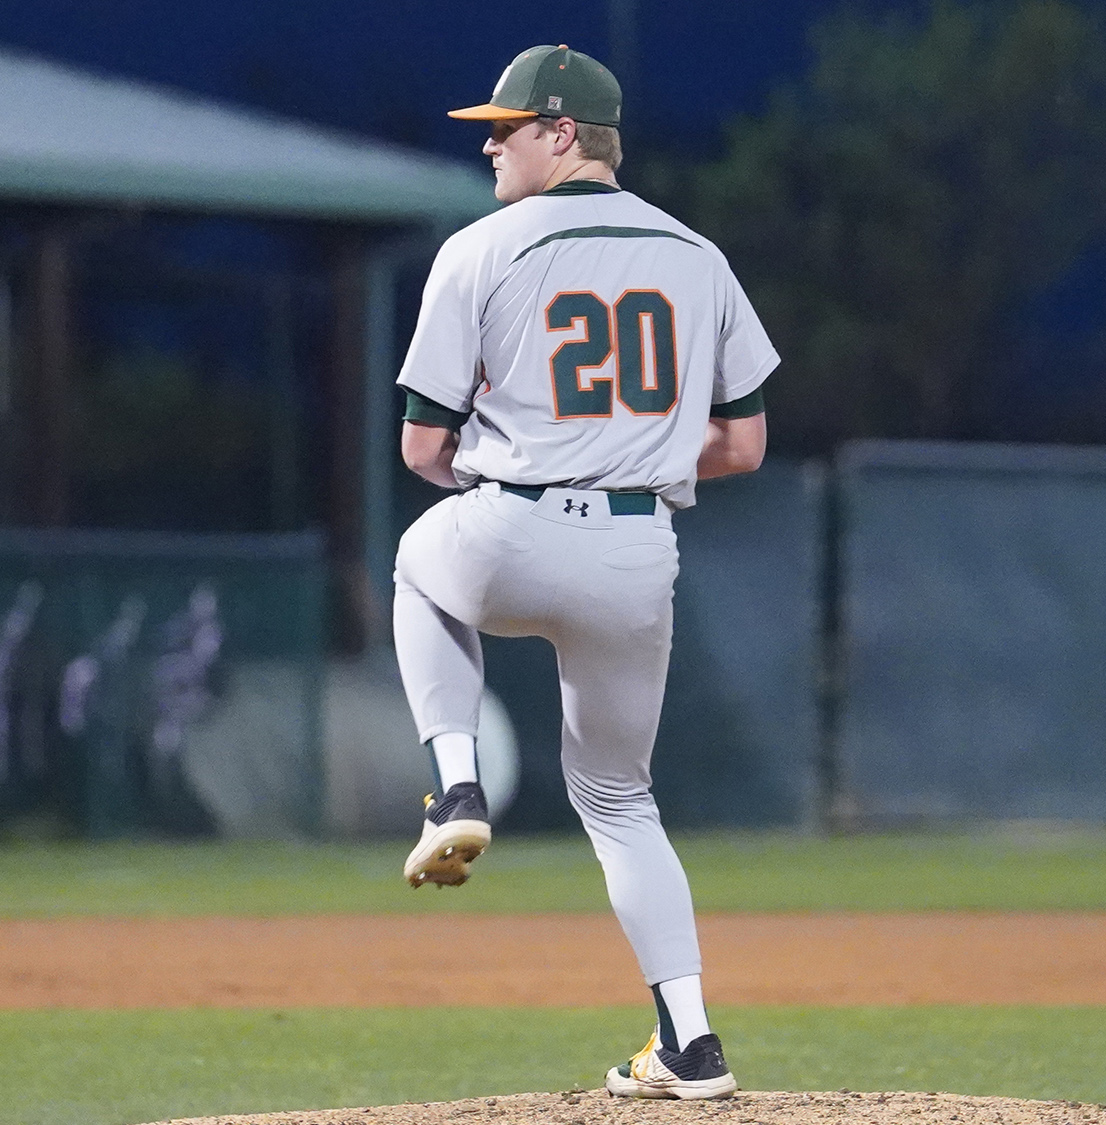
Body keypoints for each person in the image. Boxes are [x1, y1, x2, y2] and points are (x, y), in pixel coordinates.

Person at [391, 44, 775, 1101]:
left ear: (562, 134)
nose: (490, 145)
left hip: (510, 527)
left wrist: (511, 474)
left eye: (506, 128)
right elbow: (744, 445)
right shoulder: (698, 255)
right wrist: (634, 460)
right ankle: (691, 1042)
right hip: (636, 550)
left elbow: (421, 451)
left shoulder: (479, 248)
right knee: (618, 798)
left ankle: (455, 783)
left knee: (417, 565)